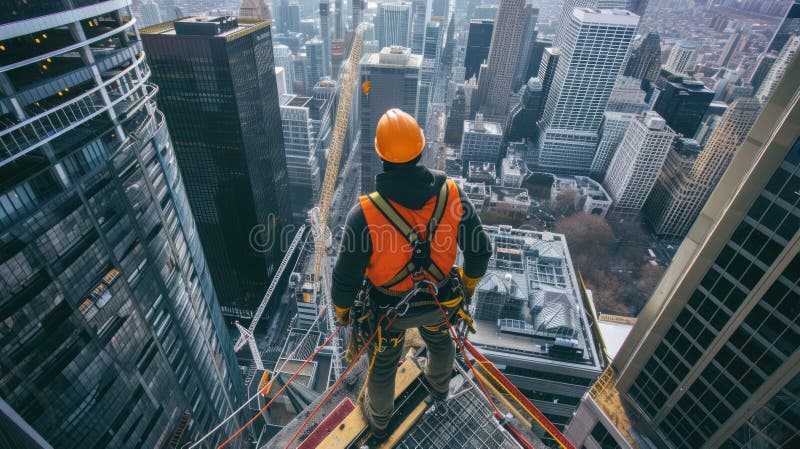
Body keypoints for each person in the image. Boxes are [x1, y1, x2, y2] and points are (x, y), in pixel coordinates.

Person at [331, 108, 492, 438]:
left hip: (390, 313)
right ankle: (439, 392)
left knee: (384, 365)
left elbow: (345, 281)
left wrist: (344, 313)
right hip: (439, 301)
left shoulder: (364, 215)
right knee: (440, 342)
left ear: (381, 156)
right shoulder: (452, 194)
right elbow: (480, 249)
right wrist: (468, 284)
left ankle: (378, 424)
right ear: (421, 149)